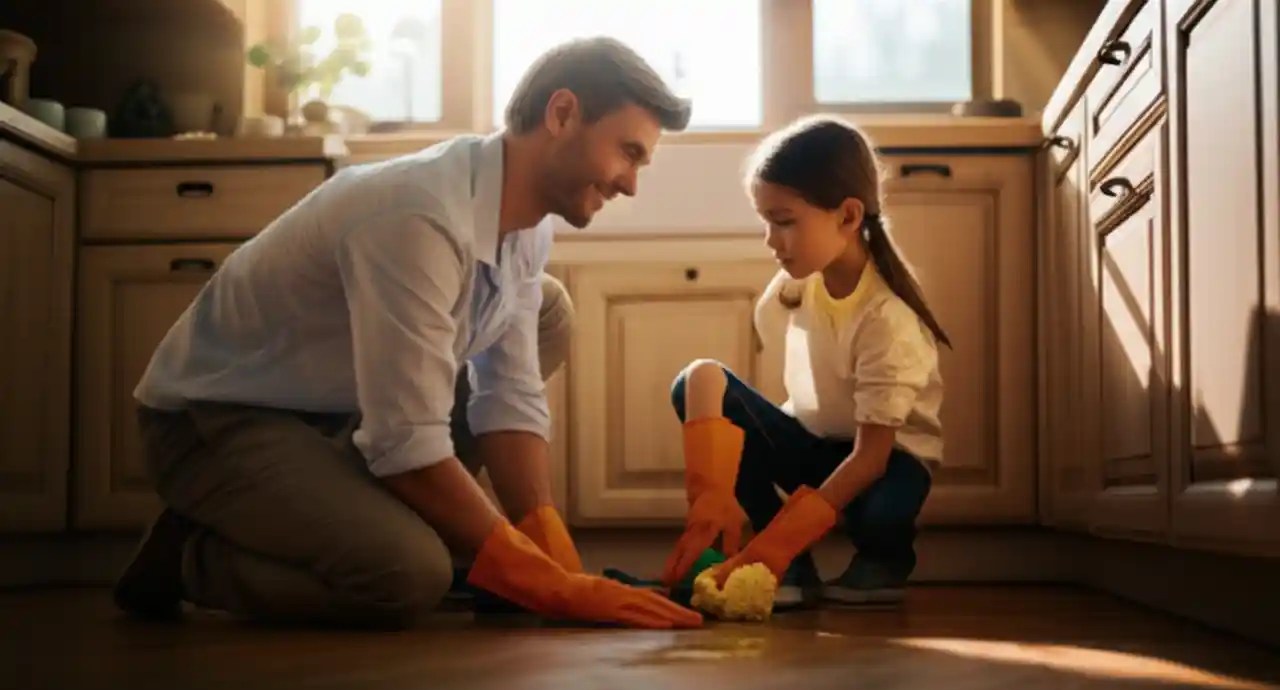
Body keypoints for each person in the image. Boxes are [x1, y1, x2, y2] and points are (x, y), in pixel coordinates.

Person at [113, 37, 703, 631]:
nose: (630, 184)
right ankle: (190, 555)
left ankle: (370, 523)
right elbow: (407, 442)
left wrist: (553, 555)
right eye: (628, 153)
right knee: (406, 575)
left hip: (339, 413)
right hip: (218, 419)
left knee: (548, 308)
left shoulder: (526, 227)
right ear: (562, 114)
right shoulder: (416, 215)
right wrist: (550, 588)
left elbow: (508, 396)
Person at [661, 116, 948, 609]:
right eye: (766, 221)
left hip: (884, 463)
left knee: (881, 512)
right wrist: (710, 498)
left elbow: (869, 459)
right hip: (815, 444)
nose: (771, 240)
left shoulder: (889, 320)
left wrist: (768, 550)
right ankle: (795, 568)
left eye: (785, 221)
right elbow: (708, 380)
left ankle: (884, 560)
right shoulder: (795, 284)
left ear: (848, 216)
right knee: (692, 384)